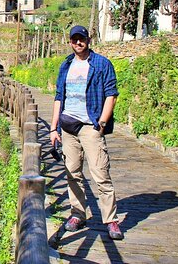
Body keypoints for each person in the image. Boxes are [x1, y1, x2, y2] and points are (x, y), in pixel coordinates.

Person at [49, 25, 124, 240]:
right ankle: (77, 214)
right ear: (70, 42)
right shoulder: (66, 65)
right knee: (72, 173)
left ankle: (110, 220)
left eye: (81, 39)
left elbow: (111, 94)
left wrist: (101, 122)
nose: (78, 43)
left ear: (88, 40)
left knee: (100, 174)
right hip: (68, 127)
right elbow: (58, 97)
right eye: (74, 40)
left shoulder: (102, 64)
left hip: (90, 126)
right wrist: (53, 128)